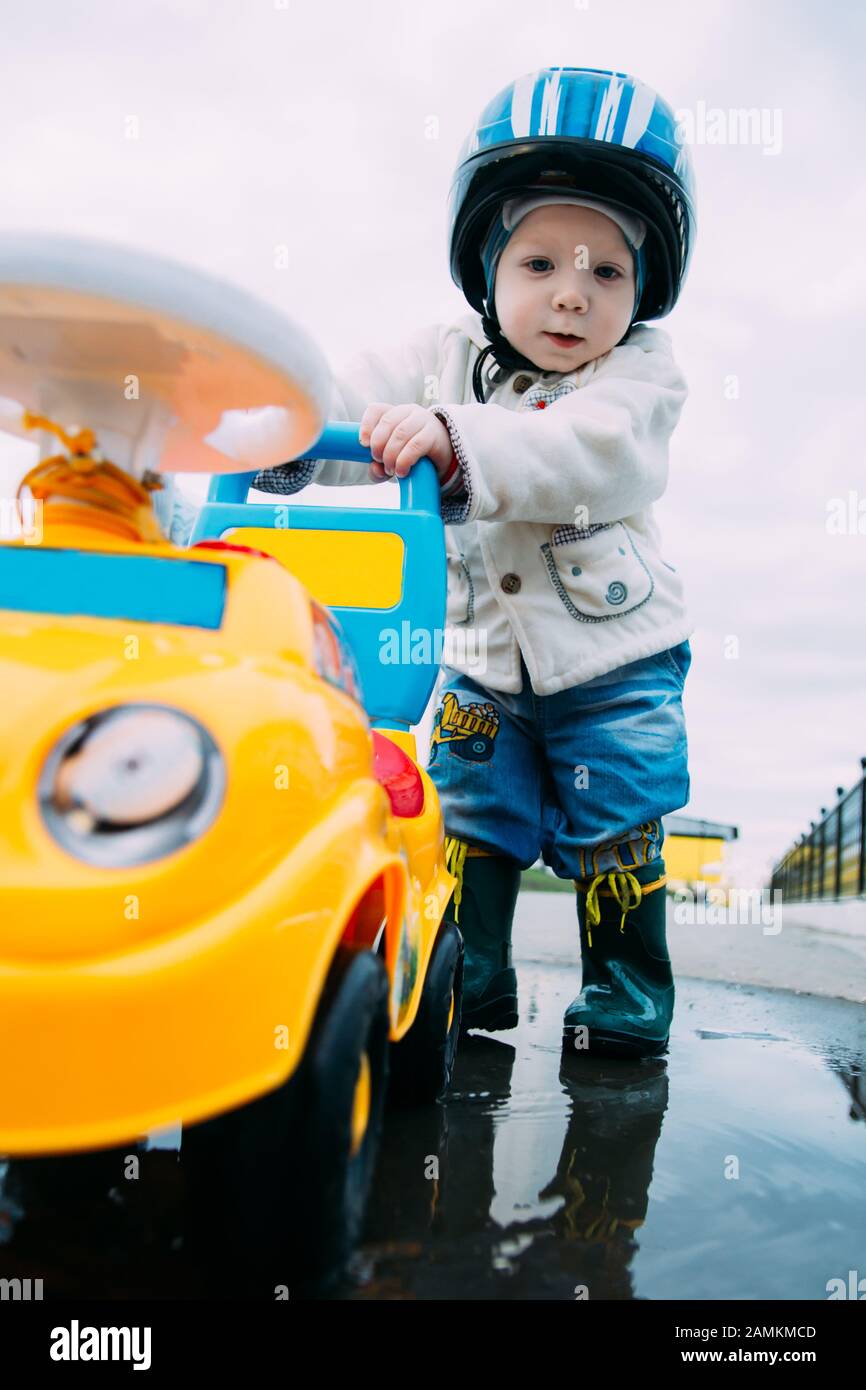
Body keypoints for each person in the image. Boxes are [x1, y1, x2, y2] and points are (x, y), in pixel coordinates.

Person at [250, 66, 698, 1059]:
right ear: (485, 264)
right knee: (466, 807)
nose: (572, 295)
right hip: (482, 657)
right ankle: (471, 982)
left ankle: (623, 993)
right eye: (539, 263)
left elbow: (585, 451)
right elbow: (348, 406)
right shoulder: (439, 353)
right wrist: (281, 435)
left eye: (605, 272)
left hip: (612, 659)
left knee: (616, 813)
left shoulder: (638, 378)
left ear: (642, 288)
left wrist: (453, 438)